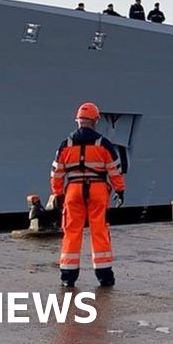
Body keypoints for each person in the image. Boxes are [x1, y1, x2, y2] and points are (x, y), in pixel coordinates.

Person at [49, 102, 126, 288]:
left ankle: (68, 276)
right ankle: (104, 275)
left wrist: (58, 194)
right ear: (96, 121)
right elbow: (115, 170)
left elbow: (57, 173)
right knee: (99, 231)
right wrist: (119, 190)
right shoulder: (103, 144)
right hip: (98, 190)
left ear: (78, 121)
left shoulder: (66, 145)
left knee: (71, 232)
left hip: (73, 190)